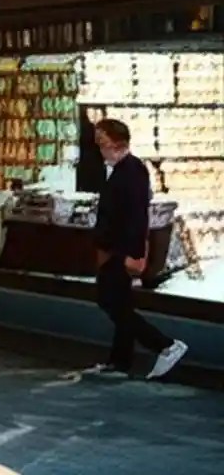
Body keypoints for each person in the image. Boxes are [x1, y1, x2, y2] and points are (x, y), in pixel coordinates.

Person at [87, 119, 188, 380]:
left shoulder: (132, 171)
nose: (100, 147)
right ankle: (120, 361)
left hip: (122, 250)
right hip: (115, 247)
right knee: (120, 303)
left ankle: (164, 344)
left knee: (110, 301)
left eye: (103, 141)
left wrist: (135, 254)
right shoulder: (118, 170)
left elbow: (136, 216)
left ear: (117, 142)